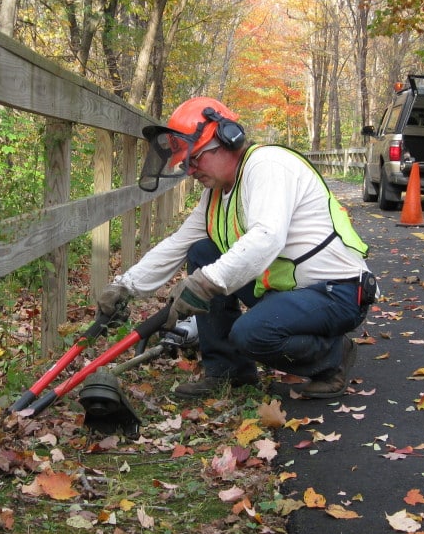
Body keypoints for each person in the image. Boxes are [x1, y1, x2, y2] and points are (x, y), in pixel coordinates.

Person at [97, 97, 377, 399]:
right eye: (185, 163)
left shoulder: (267, 166)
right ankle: (229, 372)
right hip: (287, 291)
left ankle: (333, 357)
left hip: (338, 291)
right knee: (202, 252)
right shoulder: (217, 193)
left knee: (251, 333)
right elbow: (177, 243)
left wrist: (205, 283)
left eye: (195, 159)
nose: (190, 171)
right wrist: (125, 287)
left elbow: (267, 237)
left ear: (228, 140)